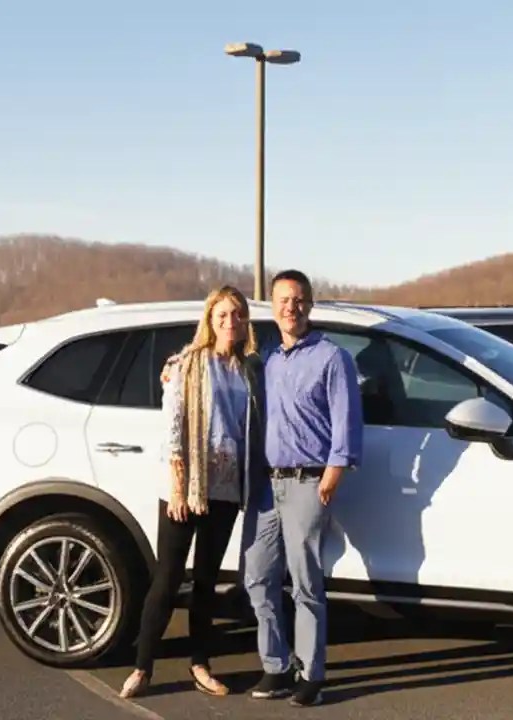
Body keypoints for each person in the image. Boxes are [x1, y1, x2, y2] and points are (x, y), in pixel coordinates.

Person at [118, 285, 265, 699]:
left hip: (225, 489)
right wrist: (179, 489)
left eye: (237, 314)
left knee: (206, 583)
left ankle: (201, 663)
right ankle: (142, 667)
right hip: (186, 489)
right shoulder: (187, 363)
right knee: (167, 579)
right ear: (210, 320)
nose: (230, 322)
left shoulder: (250, 368)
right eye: (222, 315)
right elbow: (174, 429)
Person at [243, 269, 364, 707]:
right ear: (272, 306)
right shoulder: (270, 360)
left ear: (310, 305)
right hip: (266, 486)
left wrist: (334, 472)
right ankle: (276, 665)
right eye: (282, 300)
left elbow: (346, 421)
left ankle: (311, 674)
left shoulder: (332, 358)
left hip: (308, 483)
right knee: (257, 576)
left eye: (298, 300)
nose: (290, 307)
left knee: (305, 582)